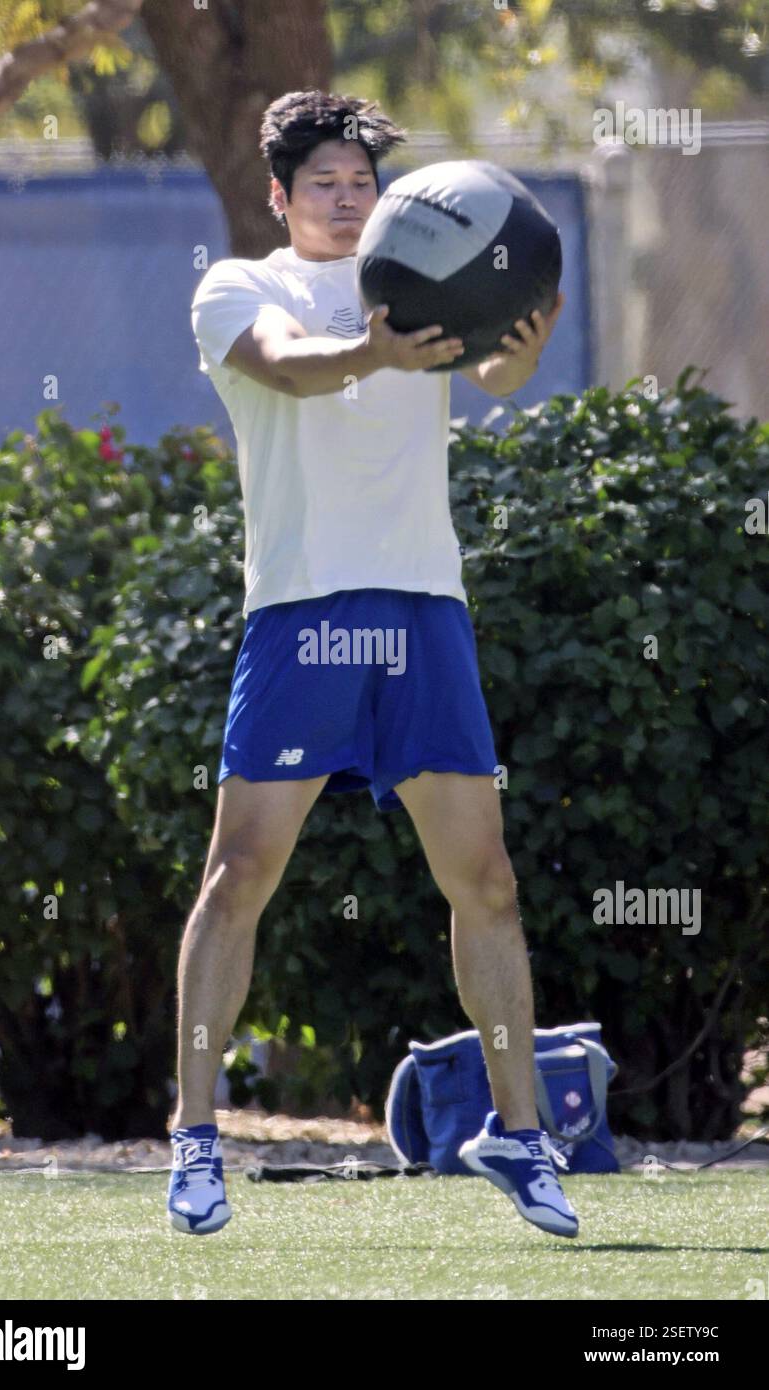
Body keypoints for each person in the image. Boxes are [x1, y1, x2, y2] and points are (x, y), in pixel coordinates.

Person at [168, 89, 575, 1238]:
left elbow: (480, 377)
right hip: (301, 612)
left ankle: (518, 1133)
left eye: (363, 184)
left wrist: (514, 352)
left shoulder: (416, 270)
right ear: (281, 198)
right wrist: (371, 348)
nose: (348, 201)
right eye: (327, 186)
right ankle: (196, 1139)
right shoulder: (238, 288)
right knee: (239, 872)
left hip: (423, 610)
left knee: (484, 881)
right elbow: (289, 366)